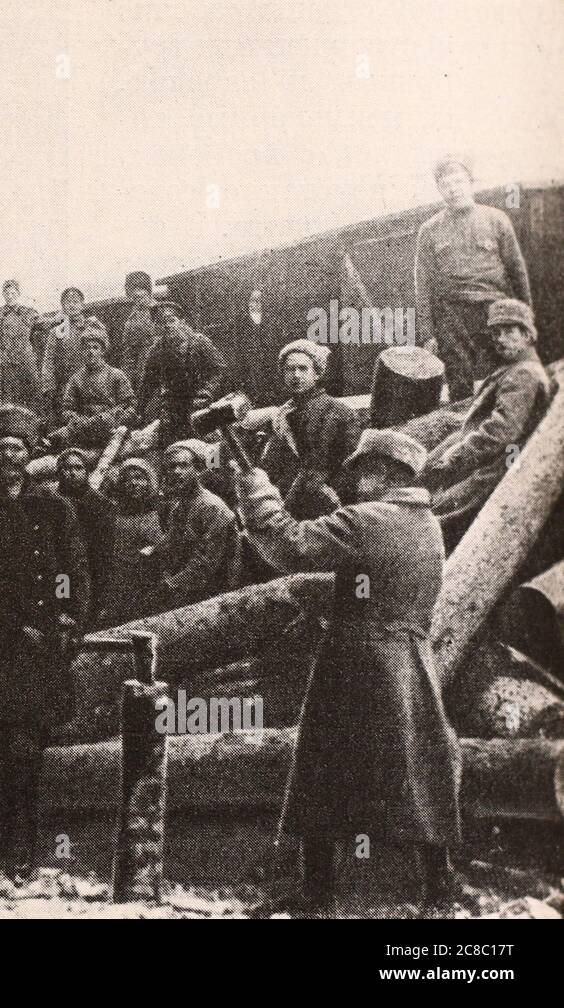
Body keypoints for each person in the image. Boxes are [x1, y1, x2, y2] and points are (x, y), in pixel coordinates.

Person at [236, 429, 461, 913]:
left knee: (325, 769)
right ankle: (439, 893)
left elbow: (290, 544)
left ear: (383, 473)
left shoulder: (369, 519)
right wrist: (326, 591)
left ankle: (318, 894)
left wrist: (256, 489)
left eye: (363, 471)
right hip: (408, 659)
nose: (356, 480)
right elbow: (378, 580)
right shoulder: (424, 522)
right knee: (417, 770)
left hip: (357, 659)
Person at [0, 406, 88, 879]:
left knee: (26, 747)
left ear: (30, 454)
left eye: (18, 448)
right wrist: (11, 627)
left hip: (37, 648)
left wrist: (65, 615)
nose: (9, 456)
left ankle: (24, 844)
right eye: (2, 448)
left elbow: (70, 571)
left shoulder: (52, 506)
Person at [424, 298, 555, 547]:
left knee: (436, 519)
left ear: (527, 334)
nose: (500, 338)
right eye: (495, 332)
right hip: (484, 461)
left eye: (508, 331)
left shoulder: (524, 373)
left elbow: (501, 430)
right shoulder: (513, 369)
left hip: (494, 468)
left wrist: (457, 454)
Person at [415, 155, 532, 400]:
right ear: (439, 190)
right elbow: (423, 283)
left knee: (505, 378)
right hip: (452, 314)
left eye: (458, 182)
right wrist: (427, 333)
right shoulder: (429, 230)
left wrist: (525, 317)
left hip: (495, 309)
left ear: (470, 182)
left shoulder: (496, 219)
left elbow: (516, 270)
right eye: (446, 185)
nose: (453, 189)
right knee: (459, 387)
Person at [259, 339, 362, 519]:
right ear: (283, 375)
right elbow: (272, 467)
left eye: (303, 368)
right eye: (290, 369)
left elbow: (352, 468)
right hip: (288, 507)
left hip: (326, 510)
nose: (296, 375)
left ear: (317, 373)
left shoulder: (339, 412)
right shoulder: (281, 415)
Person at [142, 439, 241, 613]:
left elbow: (206, 563)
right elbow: (174, 539)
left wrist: (170, 585)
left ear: (196, 469)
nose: (176, 472)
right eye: (171, 467)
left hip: (219, 592)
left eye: (183, 466)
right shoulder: (180, 506)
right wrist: (154, 551)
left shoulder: (211, 507)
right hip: (192, 583)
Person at [137, 299, 228, 451]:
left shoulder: (198, 342)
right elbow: (147, 384)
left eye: (171, 320)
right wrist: (138, 411)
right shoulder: (156, 351)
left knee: (211, 447)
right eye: (161, 323)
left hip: (201, 404)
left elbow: (220, 369)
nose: (167, 325)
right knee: (173, 450)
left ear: (181, 321)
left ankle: (214, 472)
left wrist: (207, 392)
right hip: (173, 409)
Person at [54, 448, 119, 628]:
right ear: (59, 472)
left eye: (78, 468)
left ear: (86, 471)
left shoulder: (100, 504)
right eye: (67, 468)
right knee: (65, 613)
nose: (72, 473)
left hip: (93, 569)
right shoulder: (50, 502)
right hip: (63, 571)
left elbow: (106, 554)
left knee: (90, 618)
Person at [100, 458, 166, 626]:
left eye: (139, 477)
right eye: (127, 479)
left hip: (152, 578)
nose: (134, 483)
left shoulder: (163, 508)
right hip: (121, 581)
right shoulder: (115, 512)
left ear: (149, 480)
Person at [53, 323, 135, 450]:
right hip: (83, 431)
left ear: (102, 351)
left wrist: (113, 420)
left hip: (110, 431)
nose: (90, 352)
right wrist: (78, 421)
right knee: (55, 441)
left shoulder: (116, 375)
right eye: (86, 348)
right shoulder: (76, 379)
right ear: (82, 351)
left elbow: (131, 406)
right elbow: (66, 409)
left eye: (95, 347)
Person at [38, 287, 99, 428]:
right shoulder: (57, 331)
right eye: (68, 302)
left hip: (89, 383)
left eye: (76, 302)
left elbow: (102, 350)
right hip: (64, 386)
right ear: (62, 305)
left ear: (82, 305)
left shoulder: (91, 327)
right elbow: (48, 360)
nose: (72, 305)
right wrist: (48, 386)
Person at [0, 279, 42, 412]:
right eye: (7, 294)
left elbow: (41, 325)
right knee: (3, 399)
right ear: (3, 295)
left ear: (18, 294)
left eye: (13, 293)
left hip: (24, 361)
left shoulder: (29, 313)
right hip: (4, 362)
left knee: (29, 396)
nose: (10, 296)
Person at [115, 271, 158, 398]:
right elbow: (129, 354)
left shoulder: (162, 311)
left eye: (141, 291)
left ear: (148, 291)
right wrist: (125, 381)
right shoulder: (132, 320)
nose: (137, 296)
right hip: (143, 373)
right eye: (134, 294)